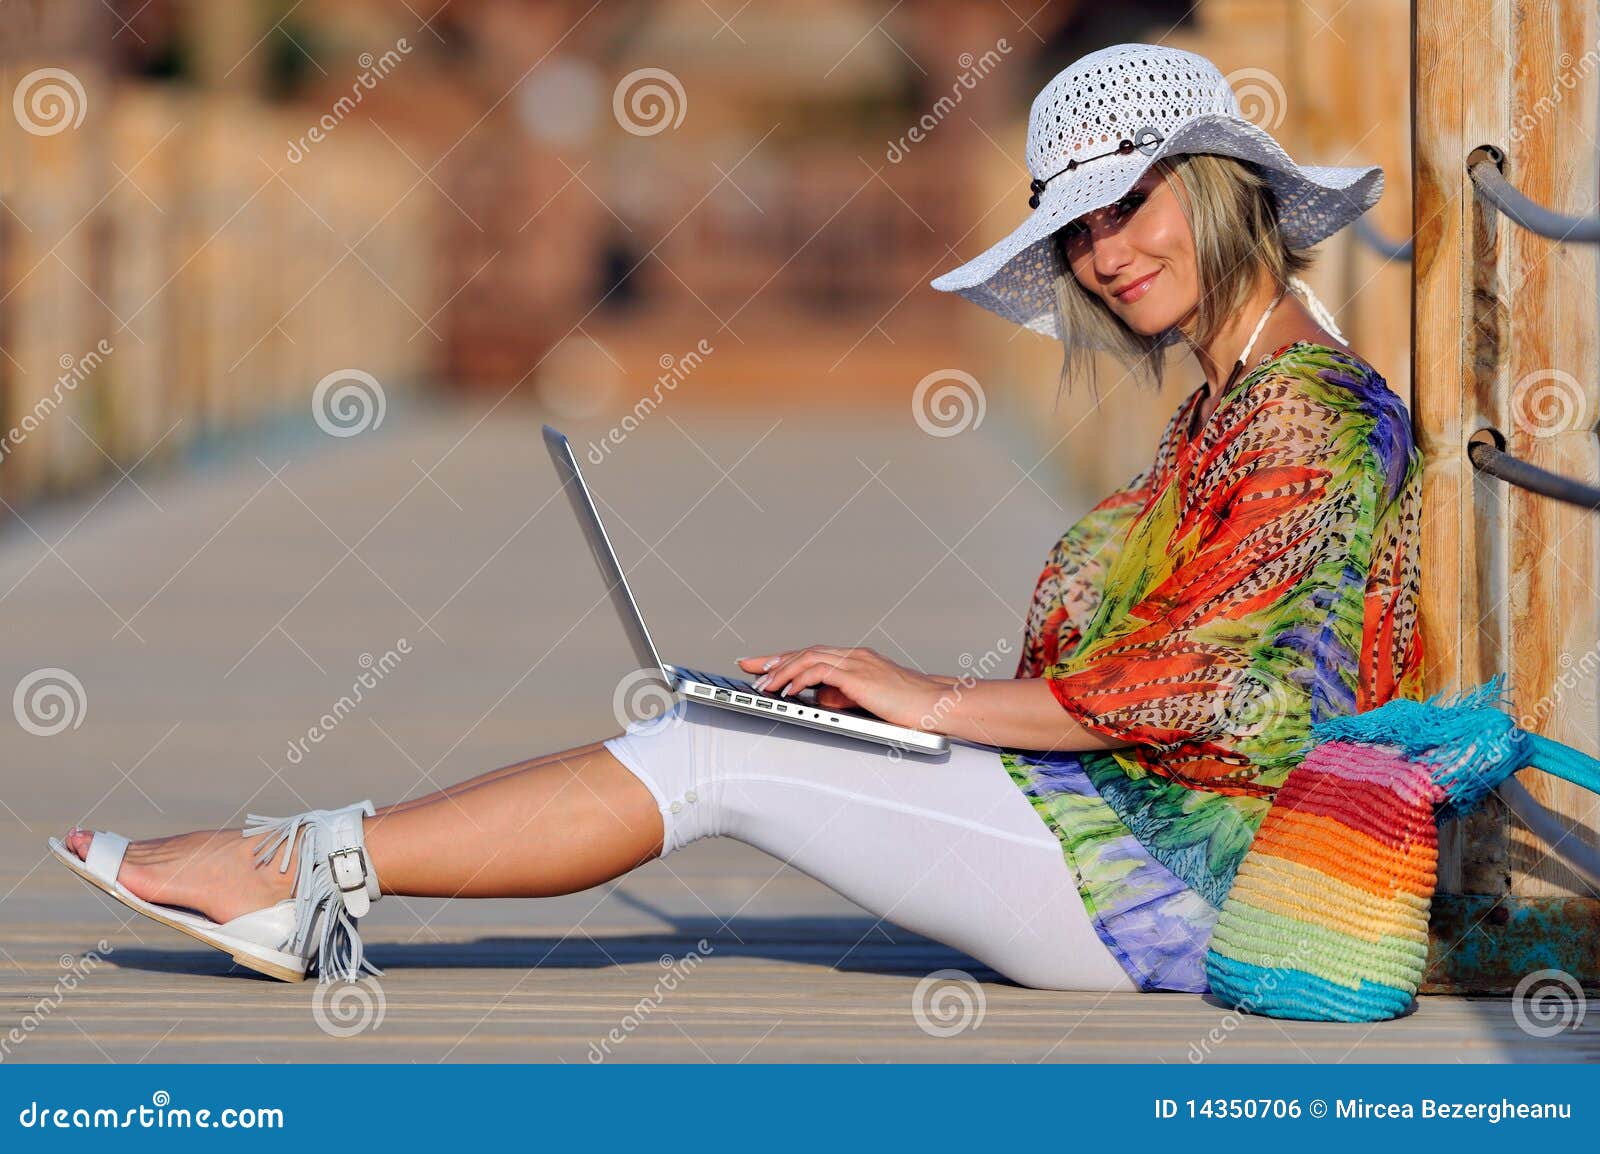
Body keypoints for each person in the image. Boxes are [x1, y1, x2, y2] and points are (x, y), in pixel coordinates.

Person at [50, 42, 1423, 994]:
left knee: (712, 755)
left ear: (1223, 185)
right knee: (724, 728)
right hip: (1126, 828)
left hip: (1190, 889)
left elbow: (1217, 692)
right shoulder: (1226, 401)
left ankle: (295, 868)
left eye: (1128, 205)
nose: (1107, 253)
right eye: (1076, 230)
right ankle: (306, 865)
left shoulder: (1310, 411)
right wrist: (903, 710)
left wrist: (935, 703)